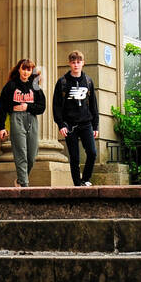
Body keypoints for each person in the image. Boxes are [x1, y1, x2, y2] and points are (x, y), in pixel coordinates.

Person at [0, 58, 47, 188]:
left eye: (28, 69)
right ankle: (25, 185)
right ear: (19, 69)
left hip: (31, 119)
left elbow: (42, 107)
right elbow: (2, 107)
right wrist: (2, 127)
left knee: (32, 155)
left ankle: (20, 180)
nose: (25, 72)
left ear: (31, 71)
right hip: (16, 119)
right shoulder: (11, 85)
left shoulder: (35, 86)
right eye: (23, 69)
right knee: (21, 152)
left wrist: (27, 107)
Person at [53, 50, 99, 187]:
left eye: (78, 62)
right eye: (73, 62)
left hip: (86, 124)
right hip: (69, 125)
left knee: (92, 152)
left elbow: (94, 106)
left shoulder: (88, 81)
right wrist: (61, 124)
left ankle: (85, 179)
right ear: (70, 64)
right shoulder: (63, 82)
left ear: (83, 63)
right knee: (74, 157)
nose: (76, 65)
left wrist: (95, 126)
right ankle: (77, 185)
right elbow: (56, 106)